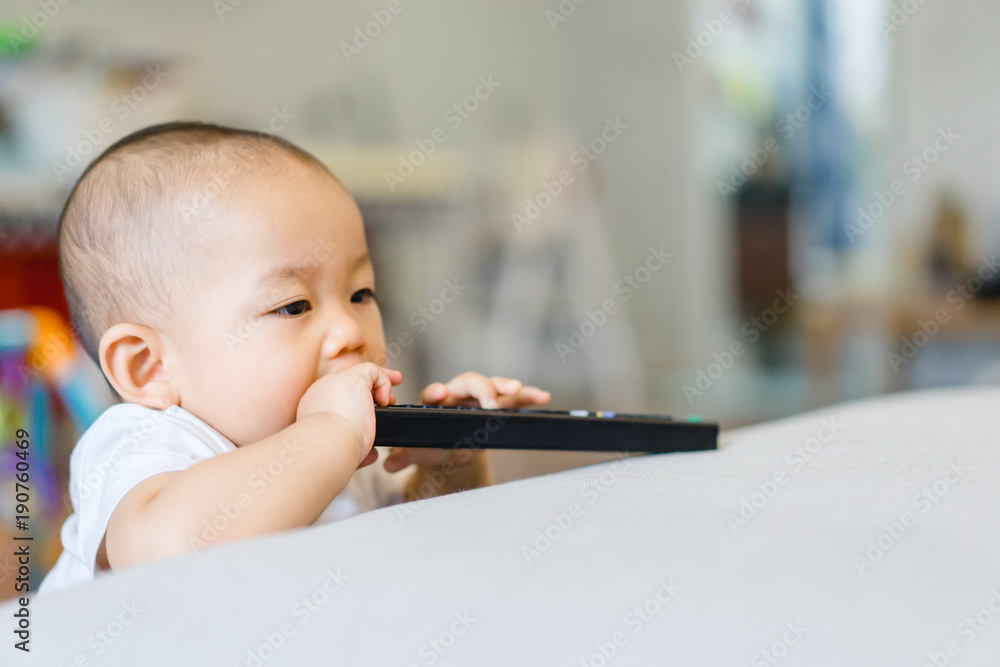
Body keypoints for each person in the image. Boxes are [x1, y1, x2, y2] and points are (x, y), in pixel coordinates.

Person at [39, 122, 550, 594]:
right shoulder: (146, 445)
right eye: (294, 306)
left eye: (362, 294)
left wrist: (451, 466)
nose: (350, 331)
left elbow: (428, 552)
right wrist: (331, 432)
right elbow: (165, 554)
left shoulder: (351, 447)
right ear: (148, 367)